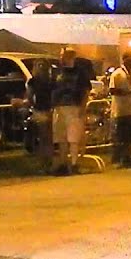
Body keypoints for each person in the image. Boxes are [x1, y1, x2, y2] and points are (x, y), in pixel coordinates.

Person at [50, 46, 92, 174]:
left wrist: (83, 107)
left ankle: (74, 164)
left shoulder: (80, 72)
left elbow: (86, 90)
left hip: (74, 106)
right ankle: (63, 164)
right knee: (61, 137)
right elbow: (53, 88)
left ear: (71, 57)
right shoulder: (58, 72)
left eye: (64, 56)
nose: (61, 58)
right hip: (59, 107)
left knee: (73, 138)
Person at [25, 59, 55, 171]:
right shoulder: (51, 81)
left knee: (43, 138)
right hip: (49, 110)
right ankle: (48, 161)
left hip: (40, 110)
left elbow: (29, 97)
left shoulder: (33, 82)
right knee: (48, 138)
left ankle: (44, 162)